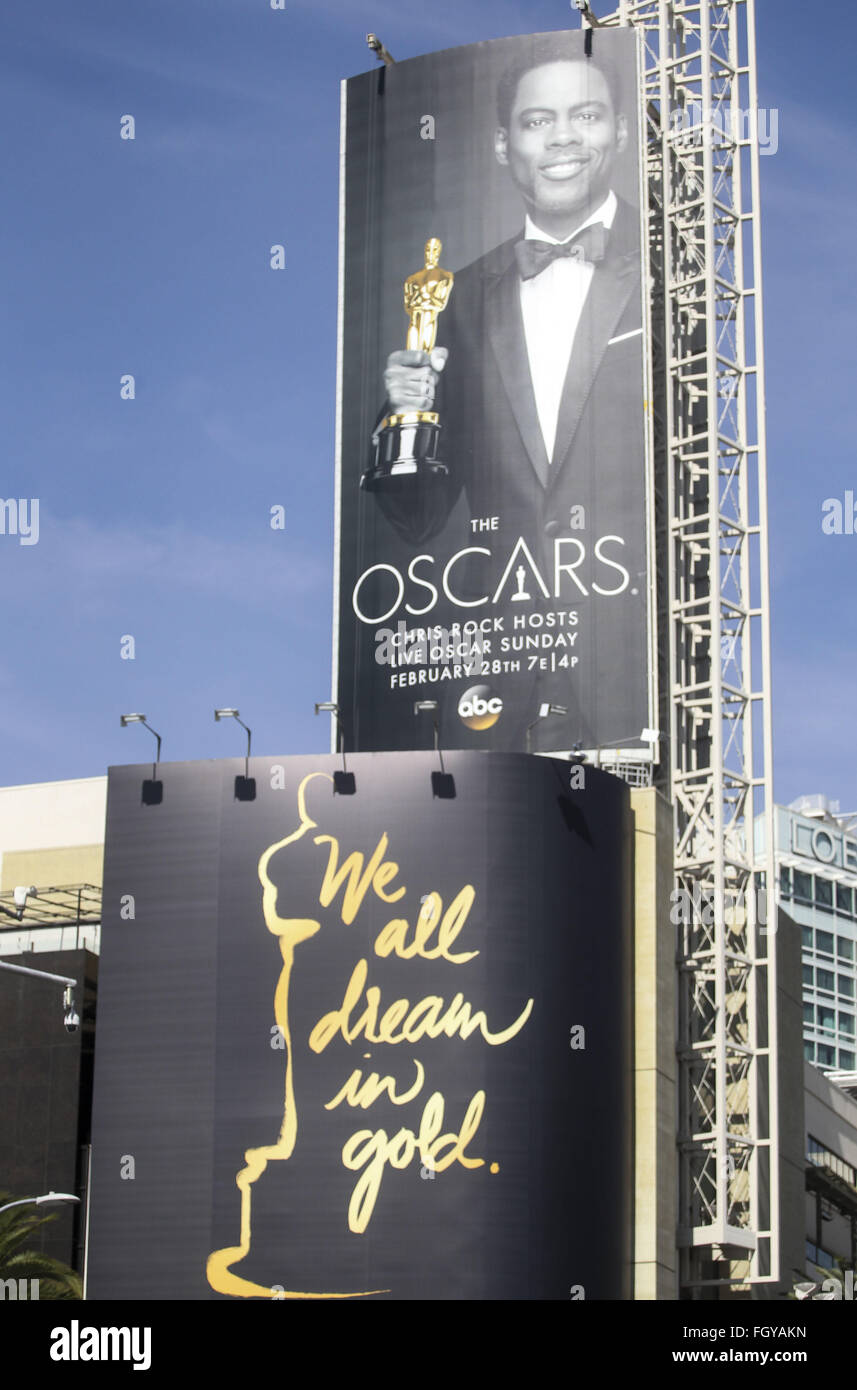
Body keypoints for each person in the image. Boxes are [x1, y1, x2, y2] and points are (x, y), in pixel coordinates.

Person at [366, 35, 649, 752]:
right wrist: (402, 415)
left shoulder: (668, 266)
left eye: (584, 115)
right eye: (535, 121)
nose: (561, 138)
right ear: (502, 146)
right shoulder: (456, 299)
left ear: (617, 131)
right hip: (502, 667)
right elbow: (419, 519)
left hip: (641, 658)